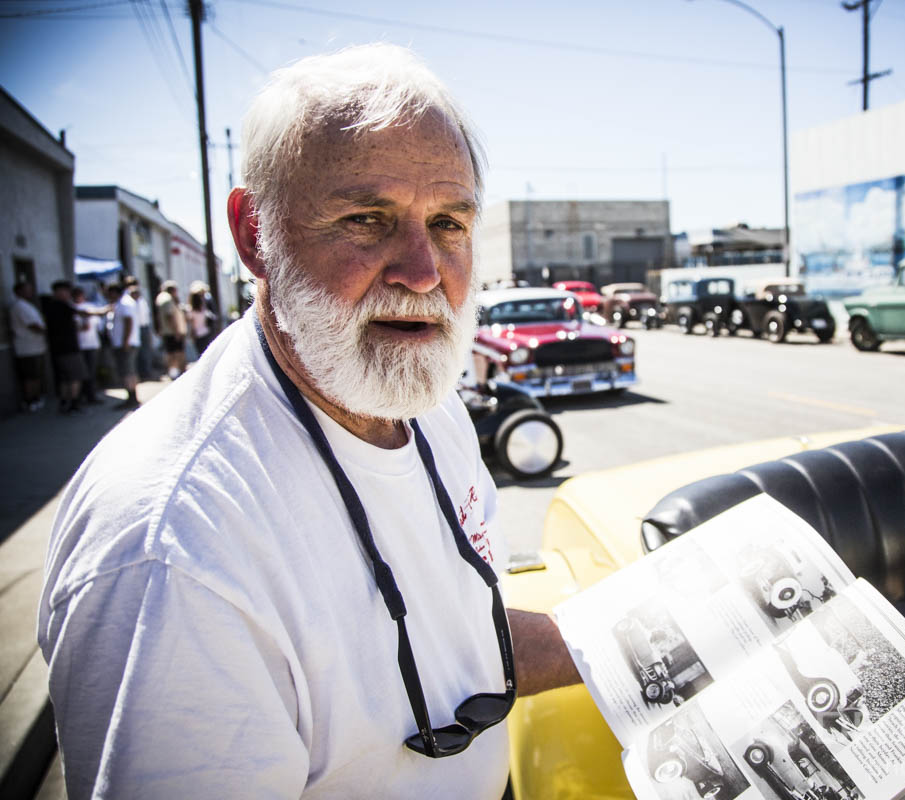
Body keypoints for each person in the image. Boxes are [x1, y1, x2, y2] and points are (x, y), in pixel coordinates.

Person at [39, 43, 578, 798]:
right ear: (255, 234)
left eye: (450, 222)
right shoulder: (174, 555)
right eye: (367, 219)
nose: (423, 272)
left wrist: (631, 642)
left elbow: (455, 640)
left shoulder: (425, 403)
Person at [40, 280, 87, 414]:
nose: (68, 295)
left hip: (58, 348)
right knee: (74, 377)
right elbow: (82, 313)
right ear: (59, 292)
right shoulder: (61, 307)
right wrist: (104, 310)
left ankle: (65, 403)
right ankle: (73, 404)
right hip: (68, 348)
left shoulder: (50, 307)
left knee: (65, 378)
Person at [9, 279, 47, 412]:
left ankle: (35, 397)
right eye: (26, 289)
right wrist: (49, 332)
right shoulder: (20, 306)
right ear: (19, 291)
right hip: (27, 348)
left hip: (35, 347)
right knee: (30, 377)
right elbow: (32, 325)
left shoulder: (27, 305)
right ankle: (30, 400)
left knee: (35, 375)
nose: (30, 292)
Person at [109, 278, 140, 409]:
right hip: (126, 342)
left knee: (127, 372)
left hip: (126, 344)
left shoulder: (124, 303)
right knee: (130, 371)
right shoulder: (124, 302)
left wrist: (125, 341)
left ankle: (132, 398)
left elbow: (129, 321)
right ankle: (132, 397)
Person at [70, 286, 104, 404]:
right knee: (80, 373)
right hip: (78, 346)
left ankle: (91, 395)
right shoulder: (72, 309)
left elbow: (98, 326)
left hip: (91, 344)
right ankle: (81, 396)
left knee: (91, 371)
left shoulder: (90, 307)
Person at [155, 280, 188, 378]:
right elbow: (170, 316)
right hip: (172, 332)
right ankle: (177, 372)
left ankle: (175, 371)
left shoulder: (162, 298)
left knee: (172, 352)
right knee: (176, 353)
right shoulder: (167, 299)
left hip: (168, 331)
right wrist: (176, 331)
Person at [187, 280, 216, 355]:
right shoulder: (204, 308)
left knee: (201, 354)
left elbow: (192, 325)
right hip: (206, 332)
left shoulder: (191, 310)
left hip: (198, 335)